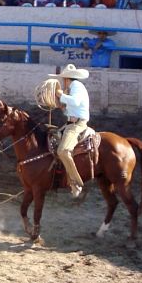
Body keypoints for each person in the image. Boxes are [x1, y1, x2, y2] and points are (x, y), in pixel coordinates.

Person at [51, 64, 91, 198]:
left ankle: (76, 182)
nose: (63, 83)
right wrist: (62, 106)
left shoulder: (77, 87)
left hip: (76, 125)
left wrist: (61, 95)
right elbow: (71, 109)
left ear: (67, 79)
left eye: (64, 80)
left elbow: (76, 101)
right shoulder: (74, 87)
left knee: (62, 151)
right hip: (72, 123)